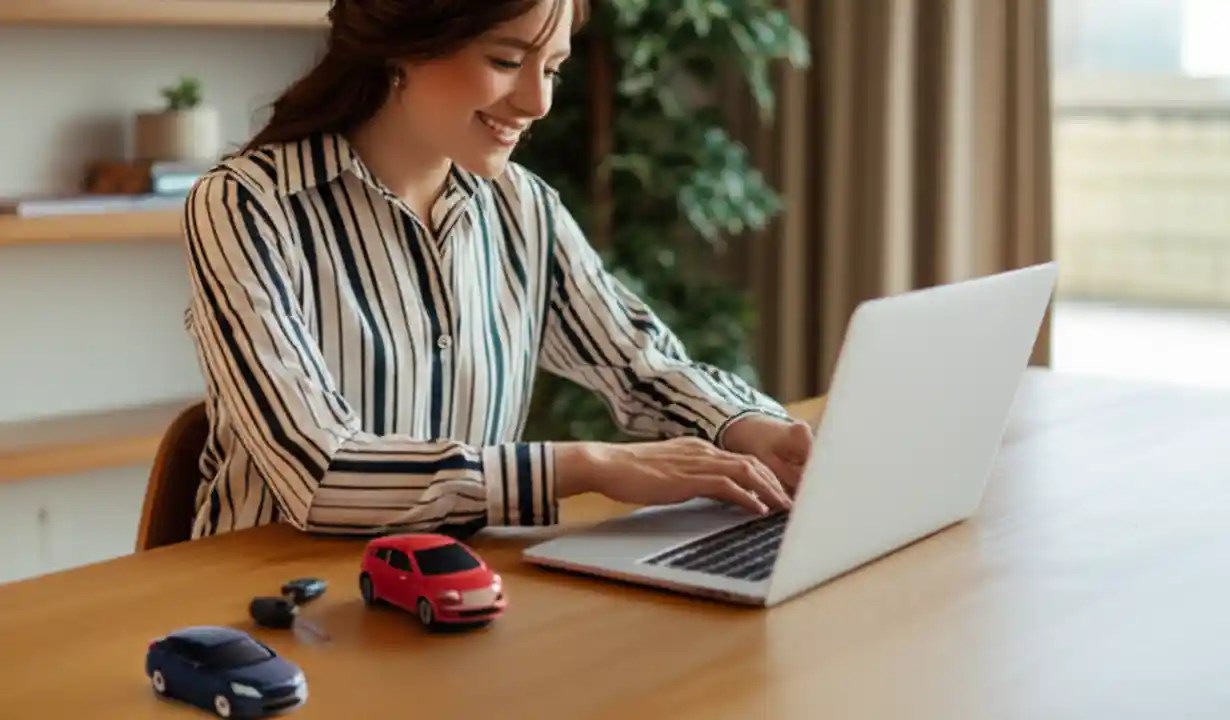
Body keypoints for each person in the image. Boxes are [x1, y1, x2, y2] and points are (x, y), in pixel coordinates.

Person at [180, 0, 814, 540]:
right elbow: (318, 474)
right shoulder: (247, 205)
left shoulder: (523, 207)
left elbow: (640, 366)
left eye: (554, 69)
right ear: (404, 46)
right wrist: (587, 465)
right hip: (269, 610)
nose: (537, 102)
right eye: (506, 61)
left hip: (456, 593)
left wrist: (746, 426)